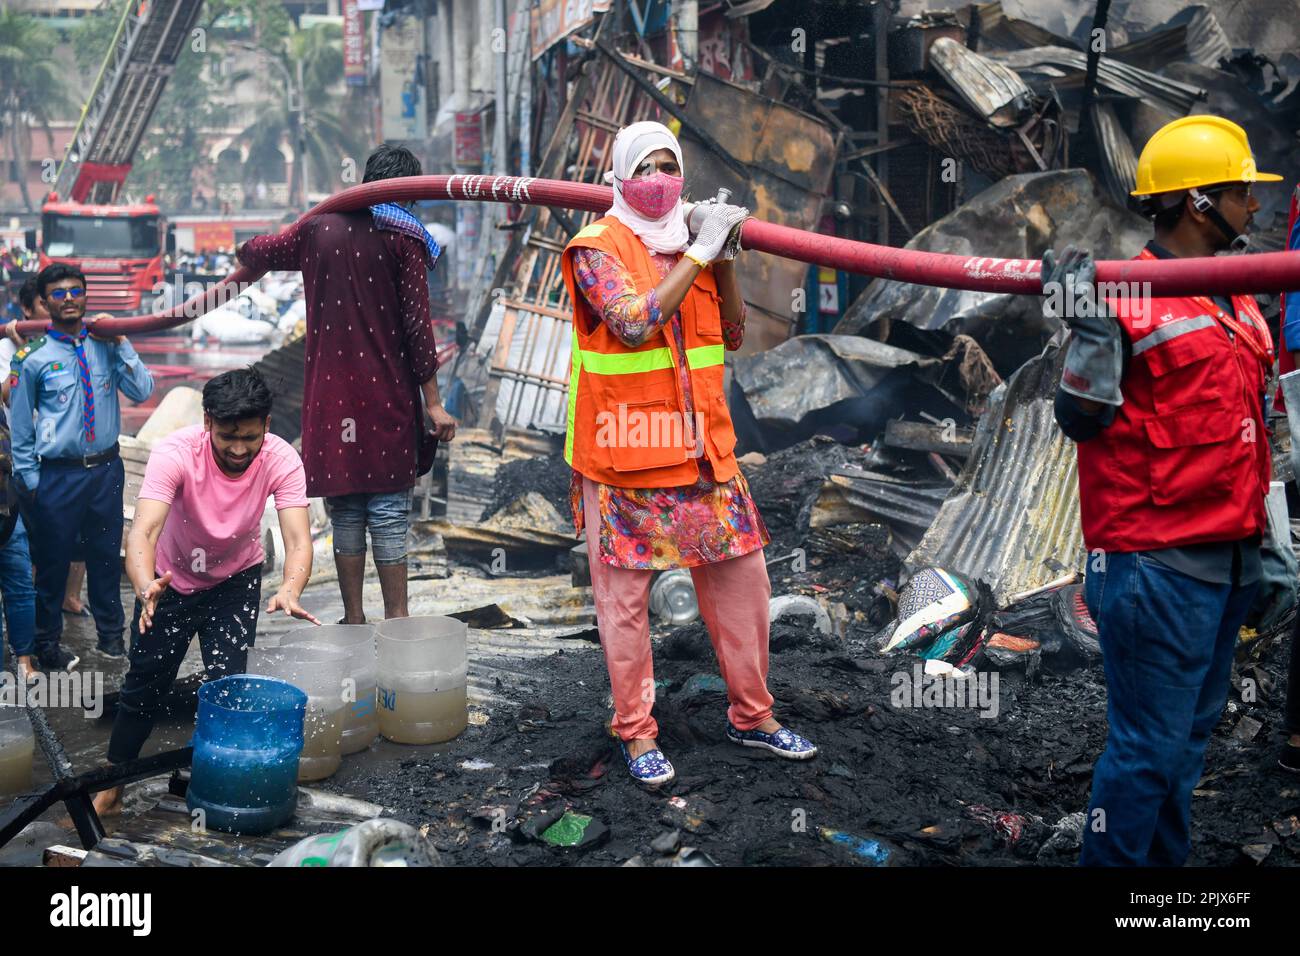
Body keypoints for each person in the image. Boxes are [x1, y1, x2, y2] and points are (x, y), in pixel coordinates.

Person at [1049, 115, 1280, 865]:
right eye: (1243, 192)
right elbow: (1077, 420)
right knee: (1146, 752)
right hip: (1156, 568)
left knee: (1183, 750)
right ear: (1197, 201)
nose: (1255, 206)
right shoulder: (1125, 297)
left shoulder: (1238, 301)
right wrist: (1083, 332)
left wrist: (1265, 542)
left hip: (1228, 563)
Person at [559, 121, 816, 786]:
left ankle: (754, 717)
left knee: (745, 588)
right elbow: (634, 321)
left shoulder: (693, 244)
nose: (658, 179)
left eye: (668, 165)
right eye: (644, 166)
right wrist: (701, 253)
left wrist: (723, 254)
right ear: (619, 177)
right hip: (625, 457)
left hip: (703, 455)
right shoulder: (597, 247)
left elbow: (730, 333)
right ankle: (637, 734)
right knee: (624, 609)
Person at [236, 143, 456, 626]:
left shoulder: (317, 229)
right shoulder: (406, 240)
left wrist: (244, 250)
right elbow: (420, 330)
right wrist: (435, 404)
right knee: (389, 515)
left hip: (329, 403)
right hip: (386, 400)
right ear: (409, 193)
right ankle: (397, 619)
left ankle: (353, 618)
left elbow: (256, 250)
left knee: (347, 514)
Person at [92, 368, 318, 815]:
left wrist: (291, 588)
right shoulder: (175, 452)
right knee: (144, 687)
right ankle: (112, 788)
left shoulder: (281, 458)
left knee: (229, 687)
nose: (239, 449)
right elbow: (144, 531)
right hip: (168, 583)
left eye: (250, 437)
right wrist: (143, 586)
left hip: (236, 581)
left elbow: (297, 540)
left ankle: (213, 777)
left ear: (267, 426)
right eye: (228, 435)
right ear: (208, 421)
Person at [10, 263, 154, 671]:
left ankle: (112, 638)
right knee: (53, 562)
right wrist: (31, 480)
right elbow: (21, 428)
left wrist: (123, 340)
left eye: (76, 290)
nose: (69, 298)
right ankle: (47, 644)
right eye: (59, 293)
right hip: (58, 475)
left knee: (106, 556)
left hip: (106, 470)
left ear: (86, 295)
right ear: (46, 302)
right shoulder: (32, 358)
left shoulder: (106, 345)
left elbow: (142, 390)